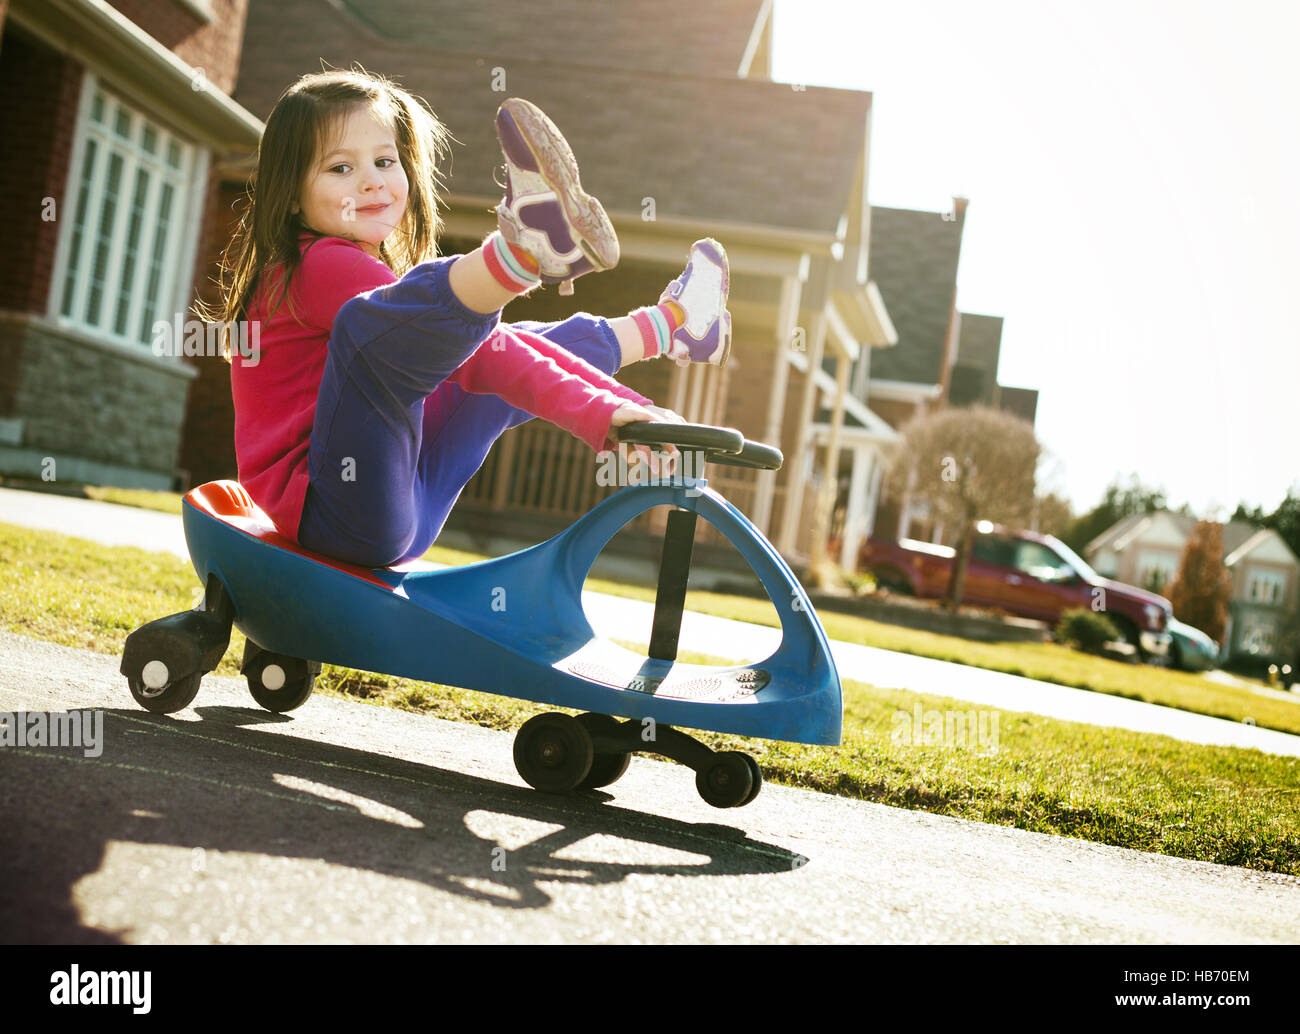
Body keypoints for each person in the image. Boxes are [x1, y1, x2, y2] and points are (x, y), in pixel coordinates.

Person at [208, 68, 732, 568]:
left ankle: (675, 324)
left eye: (385, 162)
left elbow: (491, 354)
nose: (372, 183)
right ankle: (522, 255)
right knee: (384, 333)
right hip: (334, 512)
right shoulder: (317, 266)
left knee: (504, 341)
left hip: (396, 504)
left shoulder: (357, 271)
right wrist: (603, 412)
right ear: (291, 196)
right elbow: (467, 353)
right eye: (340, 168)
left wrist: (622, 413)